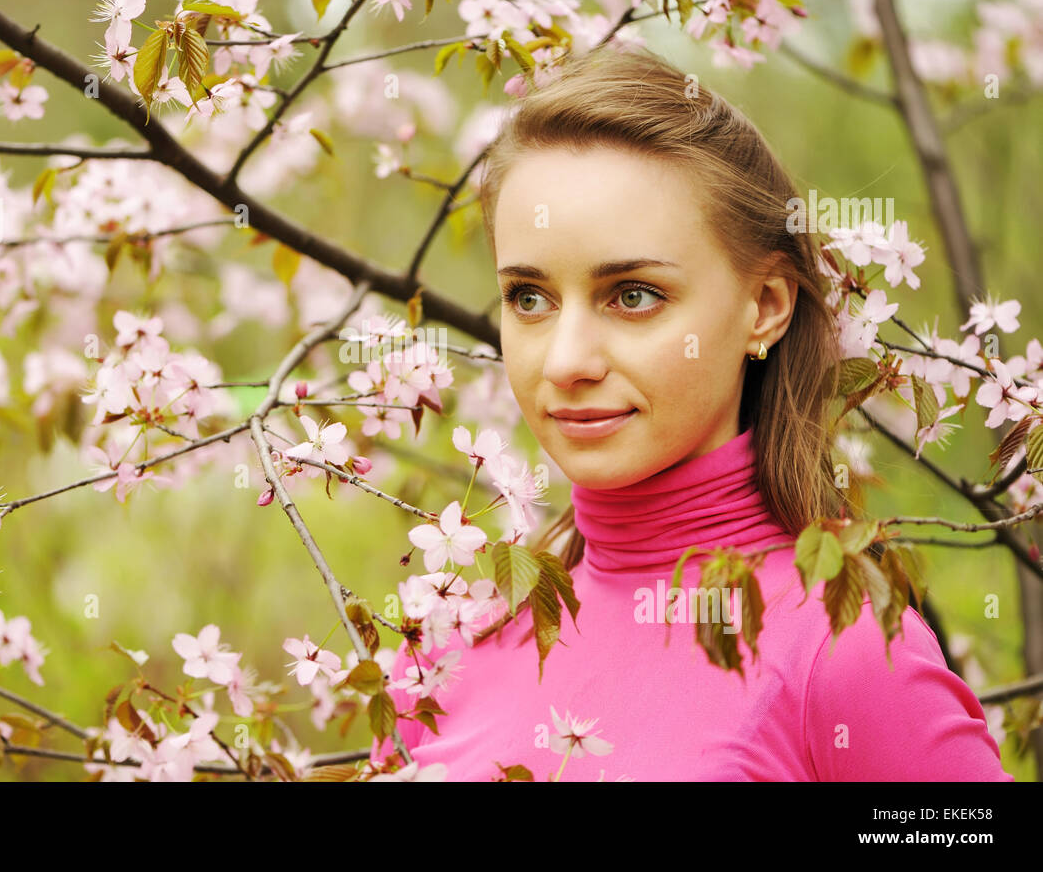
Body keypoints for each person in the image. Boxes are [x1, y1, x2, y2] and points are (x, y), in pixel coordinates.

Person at [367, 44, 1013, 782]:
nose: (565, 360)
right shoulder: (452, 641)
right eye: (530, 298)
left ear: (764, 305)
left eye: (633, 295)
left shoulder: (841, 653)